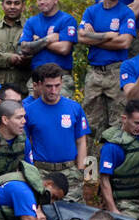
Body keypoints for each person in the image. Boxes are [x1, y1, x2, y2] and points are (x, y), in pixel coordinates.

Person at [80, 0, 138, 134]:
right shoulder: (91, 11)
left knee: (118, 122)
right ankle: (91, 159)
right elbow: (81, 37)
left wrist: (94, 39)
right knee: (90, 124)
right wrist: (107, 35)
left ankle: (115, 158)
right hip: (94, 72)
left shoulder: (126, 13)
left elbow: (124, 42)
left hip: (116, 71)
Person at [23, 62, 89, 203]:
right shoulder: (29, 110)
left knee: (73, 213)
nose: (53, 90)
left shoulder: (74, 108)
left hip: (70, 172)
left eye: (57, 85)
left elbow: (81, 141)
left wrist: (81, 170)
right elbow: (25, 142)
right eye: (48, 86)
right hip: (41, 171)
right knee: (42, 212)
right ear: (40, 84)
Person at [97, 99, 139, 220]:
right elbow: (104, 181)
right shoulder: (113, 146)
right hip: (123, 202)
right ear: (124, 119)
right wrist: (113, 210)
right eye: (136, 123)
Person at [18, 0, 79, 97]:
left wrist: (37, 41)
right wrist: (47, 40)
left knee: (59, 113)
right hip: (37, 79)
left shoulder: (67, 20)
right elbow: (24, 48)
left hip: (60, 79)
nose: (42, 1)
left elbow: (64, 48)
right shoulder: (32, 22)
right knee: (32, 113)